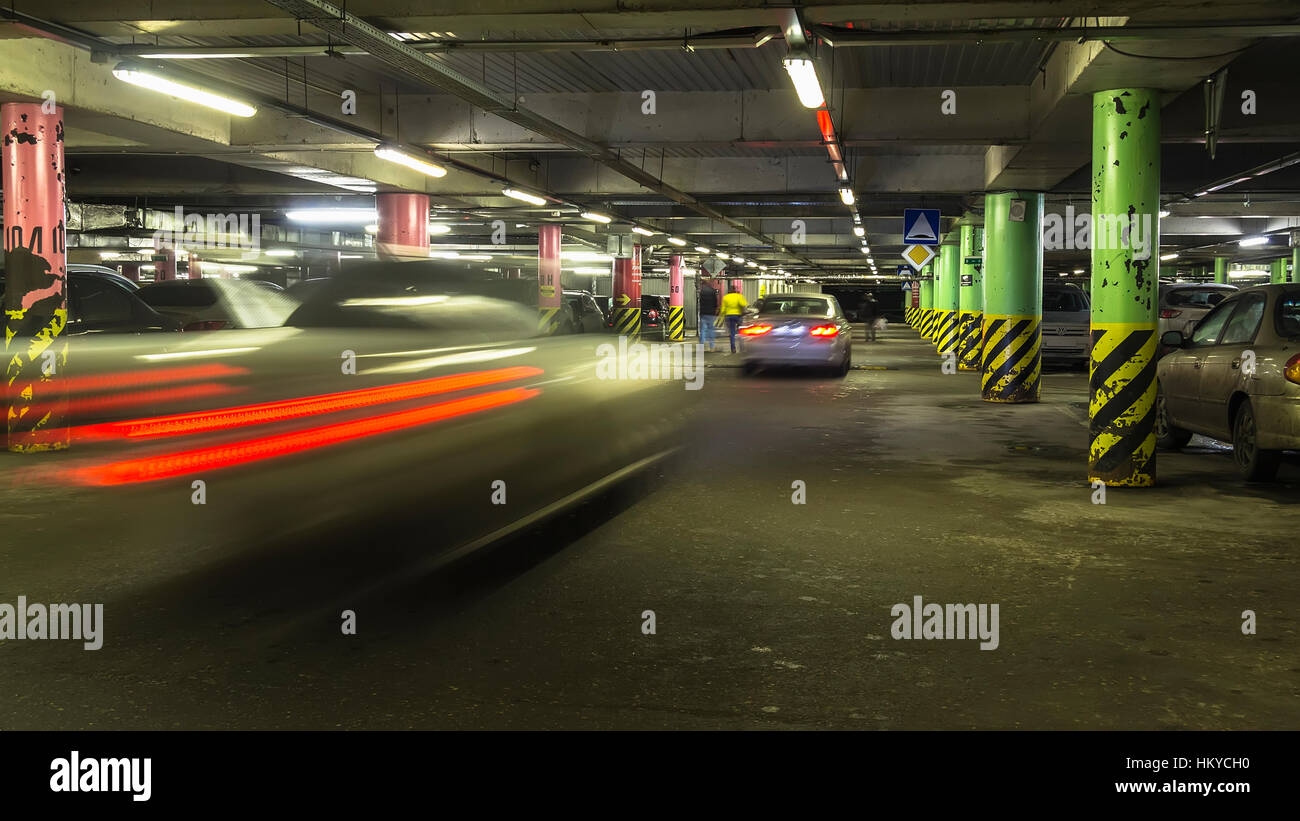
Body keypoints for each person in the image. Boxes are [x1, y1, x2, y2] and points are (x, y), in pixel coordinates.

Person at [720, 284, 748, 353]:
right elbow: (744, 304)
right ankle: (742, 347)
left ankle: (733, 348)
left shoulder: (725, 297)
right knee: (741, 331)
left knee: (732, 332)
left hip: (729, 316)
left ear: (729, 291)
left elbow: (723, 309)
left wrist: (722, 315)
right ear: (735, 290)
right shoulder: (739, 296)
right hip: (737, 316)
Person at [698, 279, 719, 351]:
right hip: (711, 313)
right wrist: (715, 310)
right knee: (711, 330)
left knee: (703, 330)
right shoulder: (712, 291)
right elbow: (715, 302)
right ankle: (712, 347)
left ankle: (701, 346)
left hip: (703, 313)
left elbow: (700, 302)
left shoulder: (702, 292)